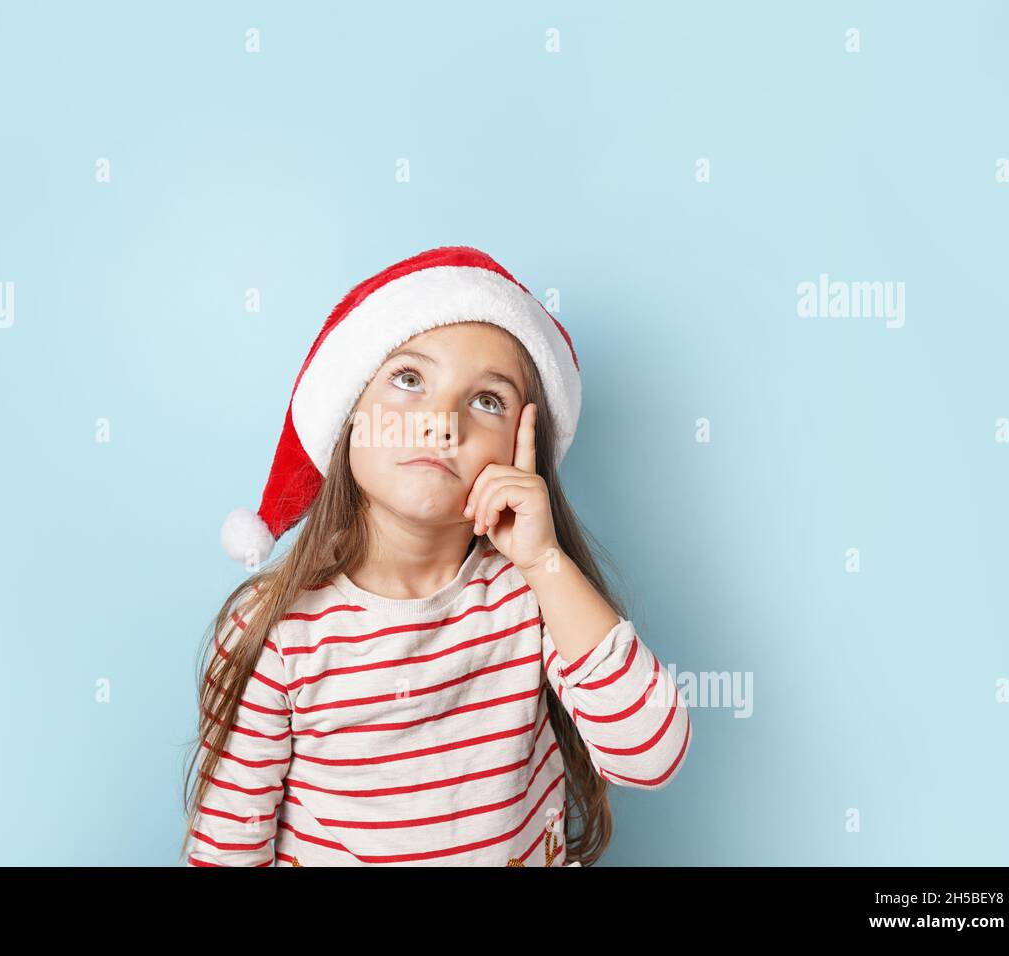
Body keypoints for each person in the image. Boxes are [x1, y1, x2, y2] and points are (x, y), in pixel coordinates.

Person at [182, 245, 691, 866]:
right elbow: (229, 849)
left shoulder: (529, 593)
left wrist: (545, 561)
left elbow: (650, 754)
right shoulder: (279, 630)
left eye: (488, 401)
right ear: (349, 415)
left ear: (521, 447)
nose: (441, 421)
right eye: (408, 379)